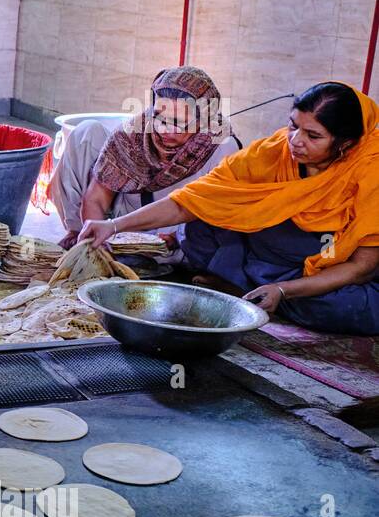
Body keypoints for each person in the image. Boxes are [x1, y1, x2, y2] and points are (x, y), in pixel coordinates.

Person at [79, 82, 379, 335]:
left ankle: (259, 291)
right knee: (197, 228)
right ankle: (254, 289)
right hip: (262, 253)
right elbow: (194, 199)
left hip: (323, 266)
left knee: (348, 307)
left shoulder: (370, 171)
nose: (295, 141)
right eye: (293, 125)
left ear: (346, 143)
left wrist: (286, 289)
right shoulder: (273, 152)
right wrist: (113, 226)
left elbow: (361, 267)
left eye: (313, 136)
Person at [51, 66, 241, 251]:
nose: (165, 129)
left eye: (179, 122)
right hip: (120, 223)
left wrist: (175, 238)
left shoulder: (220, 144)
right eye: (159, 117)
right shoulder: (135, 131)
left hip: (177, 231)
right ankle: (79, 234)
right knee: (86, 132)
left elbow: (212, 210)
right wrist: (95, 243)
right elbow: (96, 198)